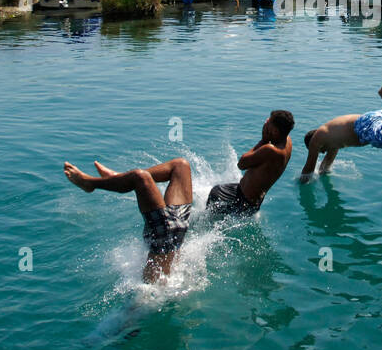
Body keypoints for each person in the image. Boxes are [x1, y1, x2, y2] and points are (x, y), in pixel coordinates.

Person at [63, 110, 295, 282]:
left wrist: (263, 139)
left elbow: (243, 161)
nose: (264, 122)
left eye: (268, 122)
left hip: (174, 229)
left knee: (139, 178)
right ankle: (115, 177)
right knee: (181, 165)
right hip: (180, 222)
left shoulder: (270, 148)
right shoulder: (287, 142)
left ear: (274, 130)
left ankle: (92, 184)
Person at [299, 77, 382, 180]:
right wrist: (322, 174)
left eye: (320, 152)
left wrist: (300, 184)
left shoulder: (318, 138)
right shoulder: (332, 141)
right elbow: (325, 166)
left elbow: (308, 170)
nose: (321, 153)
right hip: (375, 120)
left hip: (364, 125)